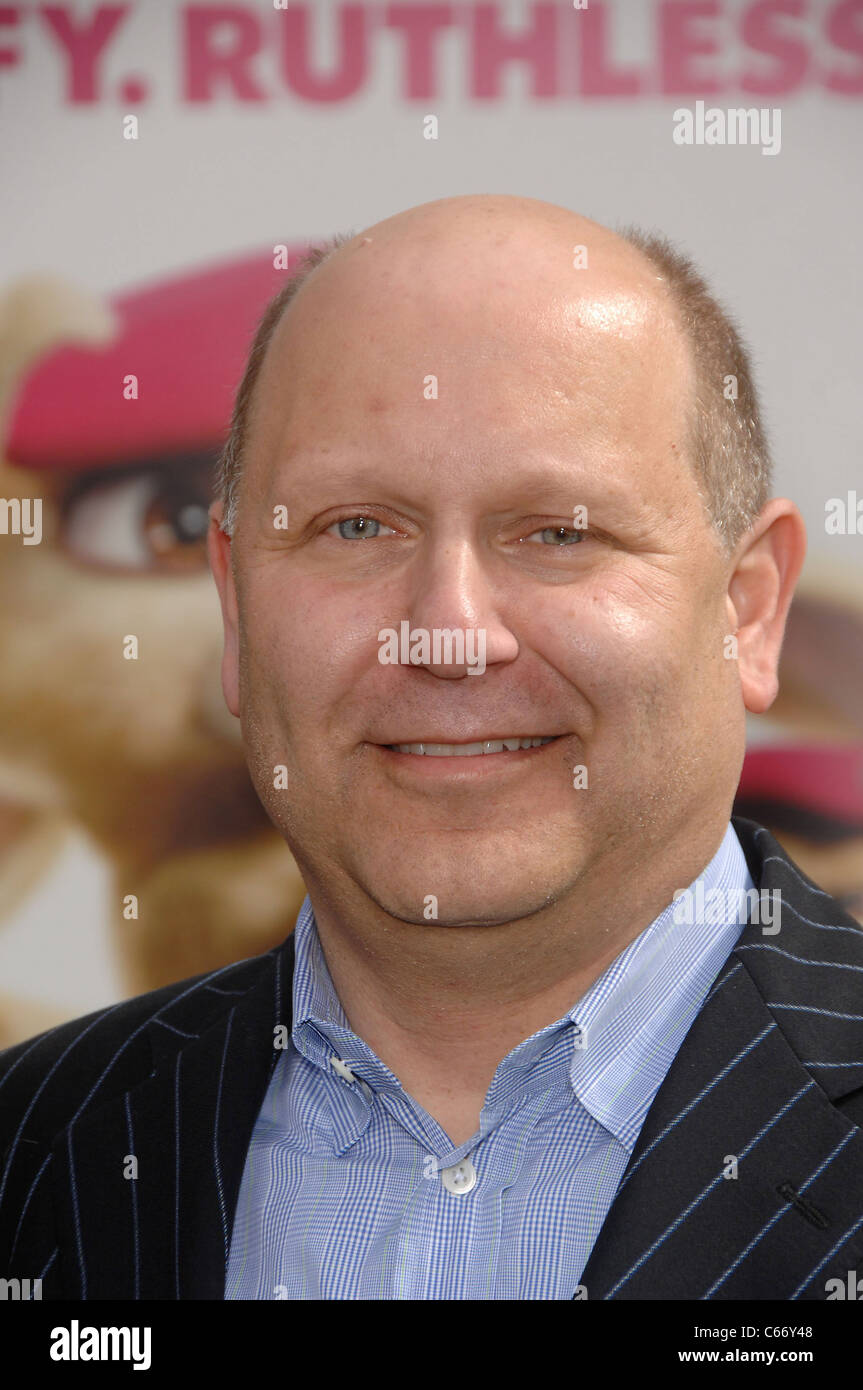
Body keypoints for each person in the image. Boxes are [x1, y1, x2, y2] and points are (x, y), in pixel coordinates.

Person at [2, 194, 862, 1302]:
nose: (448, 633)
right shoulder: (31, 1156)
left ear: (747, 610)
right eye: (353, 526)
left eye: (558, 531)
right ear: (234, 599)